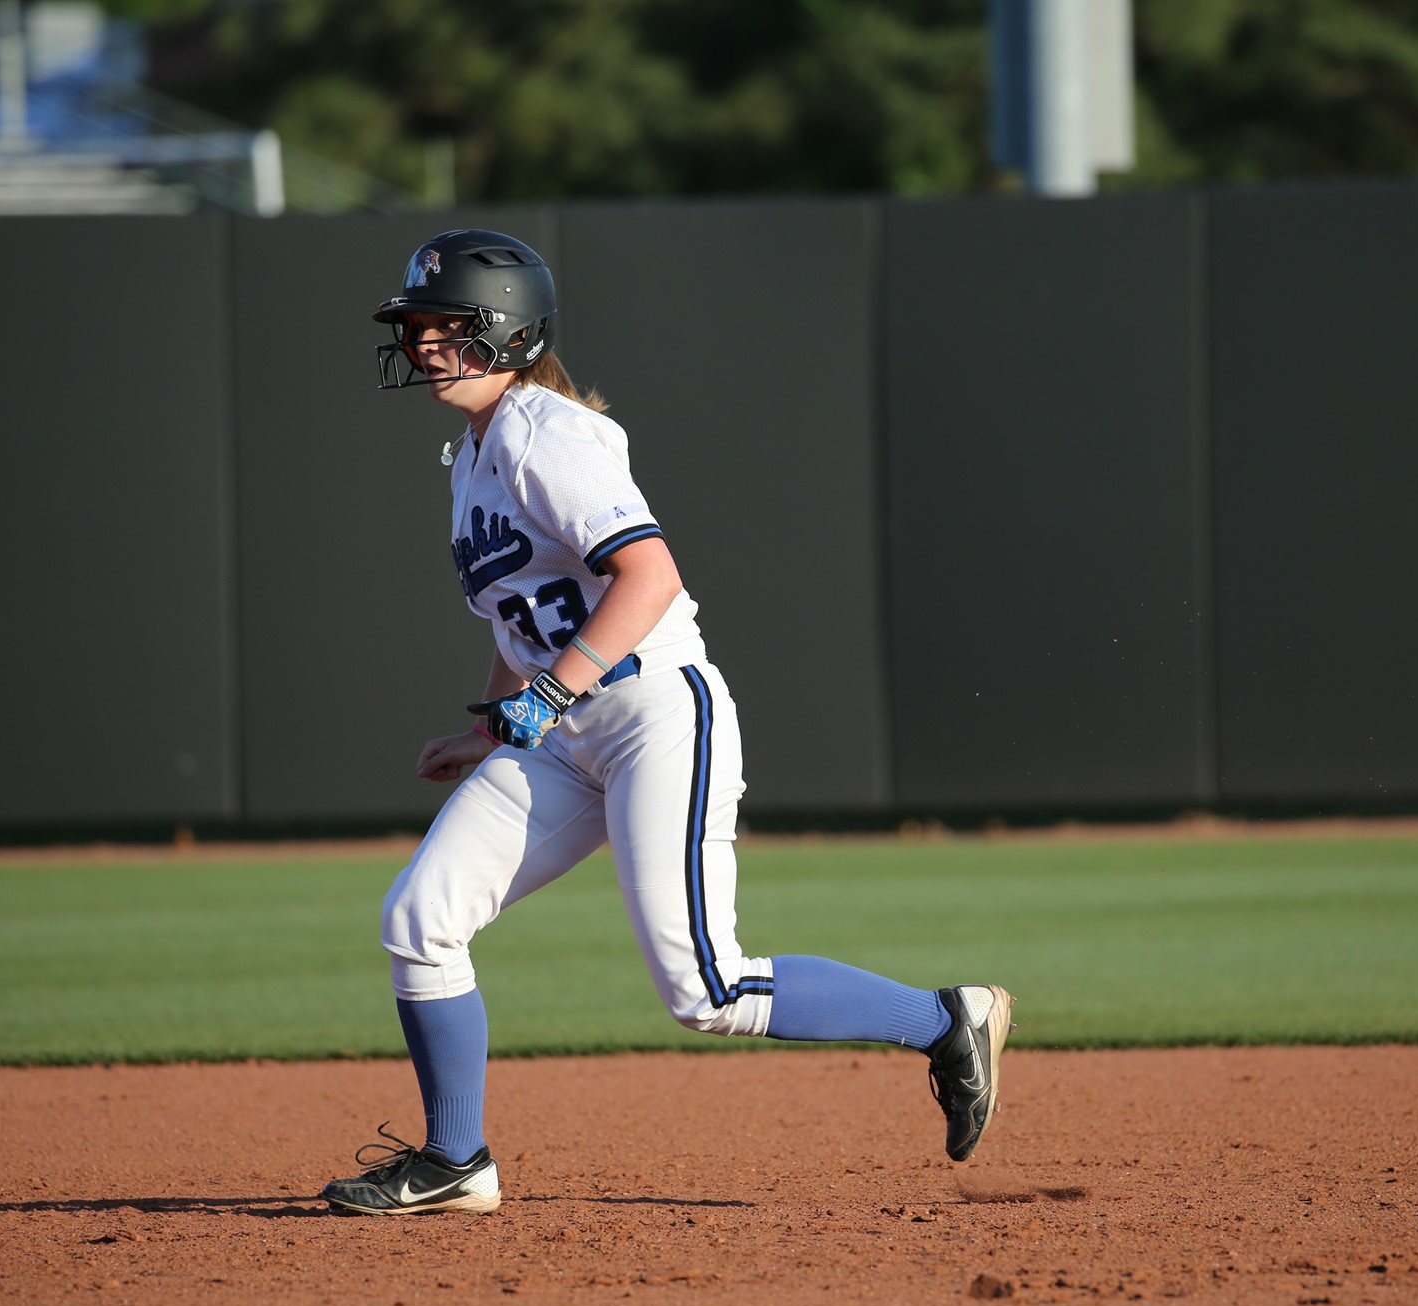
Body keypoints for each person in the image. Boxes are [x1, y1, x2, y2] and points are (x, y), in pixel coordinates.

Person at [319, 229, 1013, 1217]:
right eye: (418, 326)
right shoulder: (472, 452)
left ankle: (942, 1017)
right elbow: (521, 610)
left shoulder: (541, 433)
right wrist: (494, 722)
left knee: (707, 989)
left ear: (506, 331)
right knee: (419, 919)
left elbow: (649, 576)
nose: (424, 342)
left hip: (651, 716)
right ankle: (455, 1158)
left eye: (447, 324)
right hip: (562, 734)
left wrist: (548, 693)